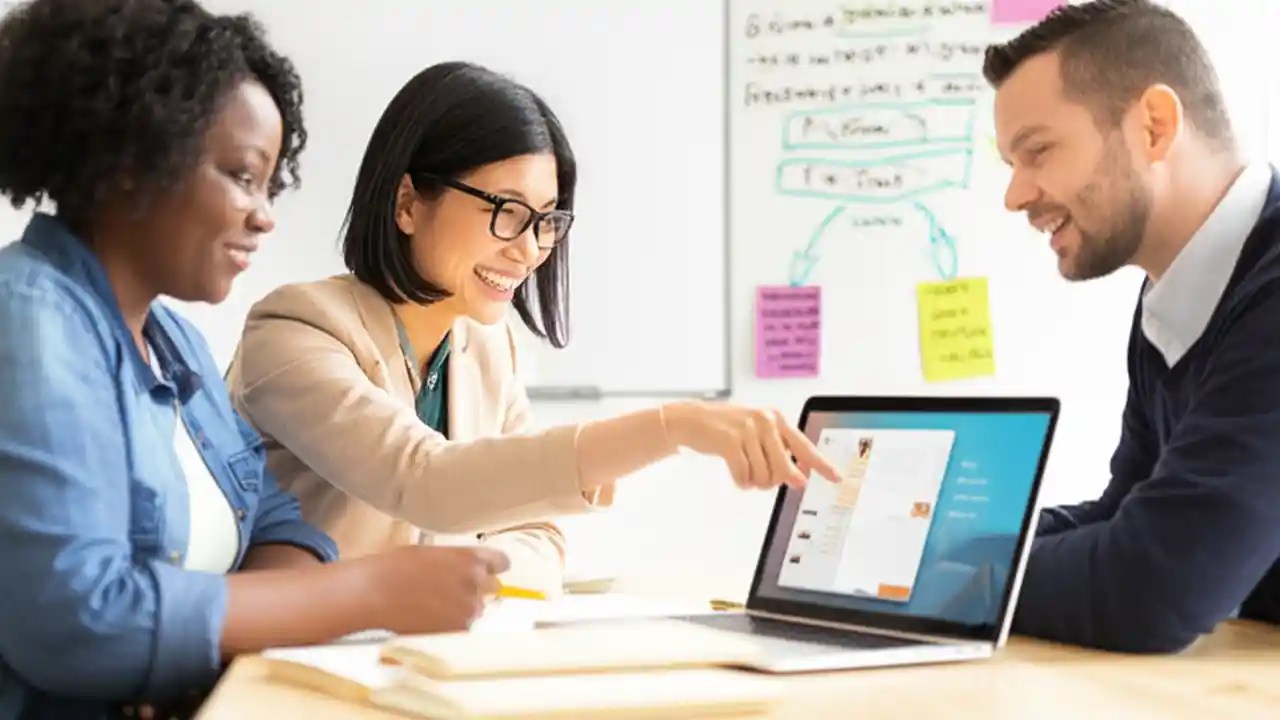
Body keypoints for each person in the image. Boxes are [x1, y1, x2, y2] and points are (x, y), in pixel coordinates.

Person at [0, 2, 512, 717]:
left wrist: (212, 644)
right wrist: (363, 594)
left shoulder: (171, 341)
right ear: (128, 161)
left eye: (271, 184)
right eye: (242, 176)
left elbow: (280, 526)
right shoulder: (28, 324)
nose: (265, 213)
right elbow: (76, 623)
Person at [225, 61, 842, 594]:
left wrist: (482, 582)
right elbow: (424, 480)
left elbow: (538, 531)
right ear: (409, 202)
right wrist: (673, 426)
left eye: (546, 220)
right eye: (506, 212)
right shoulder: (294, 331)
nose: (529, 250)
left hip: (418, 664)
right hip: (292, 673)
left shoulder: (490, 348)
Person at [985, 0, 1280, 653]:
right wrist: (953, 540)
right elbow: (1128, 515)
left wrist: (939, 574)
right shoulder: (1175, 302)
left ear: (1153, 127)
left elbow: (1153, 582)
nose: (1015, 195)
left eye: (1037, 151)